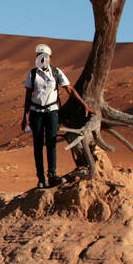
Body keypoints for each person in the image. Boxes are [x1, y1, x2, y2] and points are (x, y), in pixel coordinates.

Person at [22, 44, 90, 188]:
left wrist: (84, 104)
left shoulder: (56, 73)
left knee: (51, 143)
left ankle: (52, 175)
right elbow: (28, 97)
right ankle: (41, 178)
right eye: (40, 56)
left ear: (49, 58)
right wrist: (25, 117)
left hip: (52, 112)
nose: (43, 59)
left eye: (45, 56)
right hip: (36, 113)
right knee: (38, 145)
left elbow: (70, 89)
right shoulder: (32, 74)